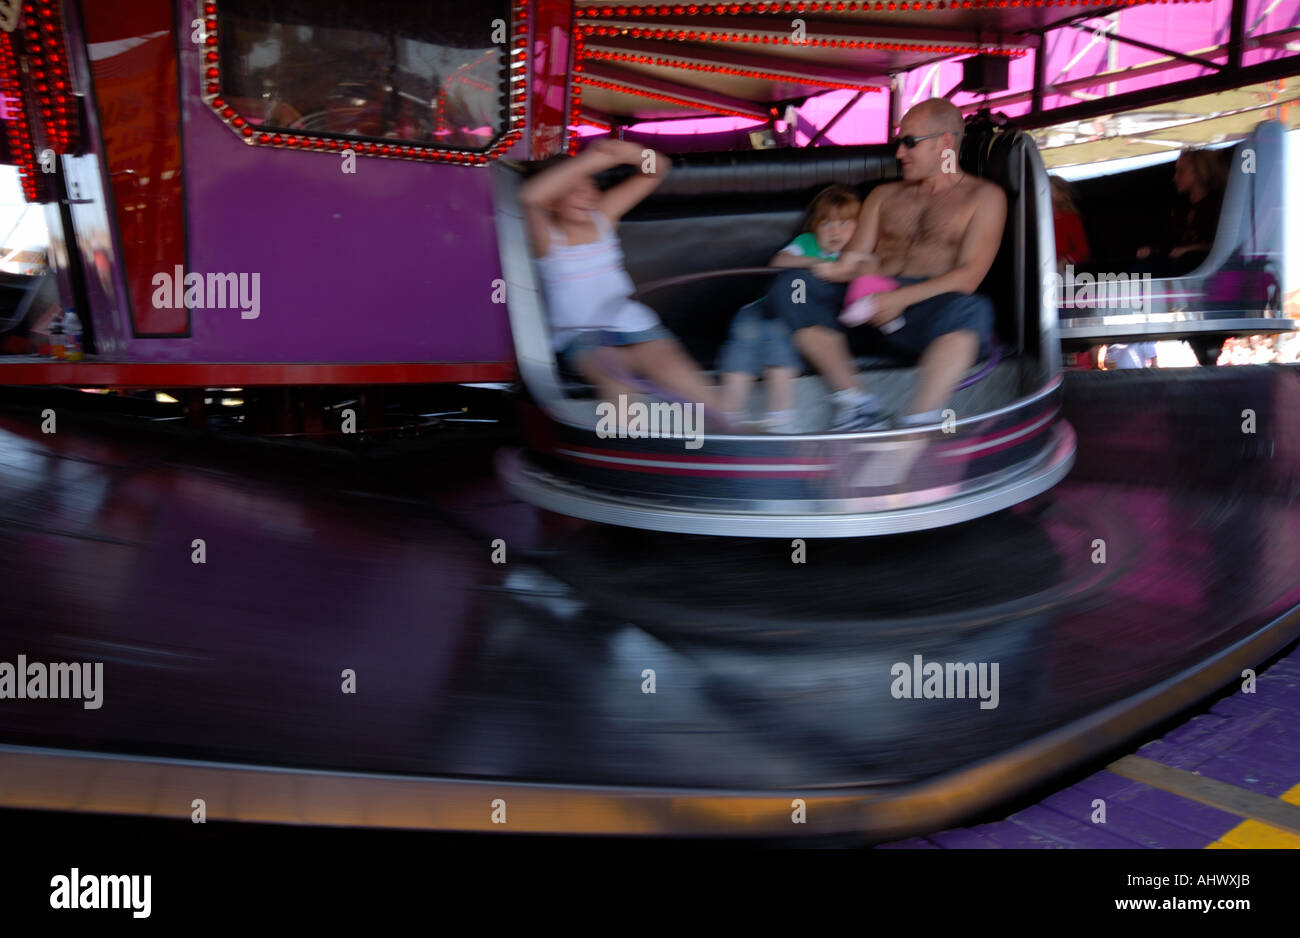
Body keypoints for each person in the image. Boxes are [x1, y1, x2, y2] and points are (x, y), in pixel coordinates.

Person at [767, 97, 1006, 431]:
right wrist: (843, 271)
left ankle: (918, 423)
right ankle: (857, 404)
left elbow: (968, 277)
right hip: (861, 306)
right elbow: (855, 256)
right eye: (899, 143)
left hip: (923, 313)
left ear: (945, 143)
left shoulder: (984, 197)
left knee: (974, 309)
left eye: (910, 142)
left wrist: (898, 299)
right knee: (792, 286)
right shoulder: (883, 196)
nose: (899, 154)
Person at [519, 139, 722, 417]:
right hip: (582, 335)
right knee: (617, 377)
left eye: (591, 186)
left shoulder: (603, 216)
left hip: (633, 322)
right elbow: (530, 197)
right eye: (575, 190)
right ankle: (631, 446)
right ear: (553, 202)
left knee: (672, 367)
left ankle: (732, 428)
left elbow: (657, 168)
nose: (589, 194)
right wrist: (593, 160)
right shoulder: (546, 237)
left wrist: (630, 154)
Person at [717, 185, 861, 432]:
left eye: (844, 223)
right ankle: (729, 417)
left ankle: (779, 418)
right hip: (758, 310)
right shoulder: (808, 243)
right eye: (827, 224)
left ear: (859, 228)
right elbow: (780, 261)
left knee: (778, 345)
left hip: (785, 322)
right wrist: (817, 262)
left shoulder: (854, 258)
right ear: (815, 228)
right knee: (742, 347)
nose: (835, 231)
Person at [1136, 148, 1227, 277]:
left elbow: (1226, 245)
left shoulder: (1218, 205)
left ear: (1197, 172)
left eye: (1180, 172)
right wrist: (1152, 251)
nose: (1175, 178)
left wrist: (1190, 249)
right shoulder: (1179, 209)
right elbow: (1170, 247)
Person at [1049, 176, 1091, 272]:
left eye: (1050, 190)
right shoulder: (1033, 219)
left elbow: (1083, 252)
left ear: (1061, 194)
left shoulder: (1070, 218)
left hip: (1061, 271)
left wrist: (1065, 261)